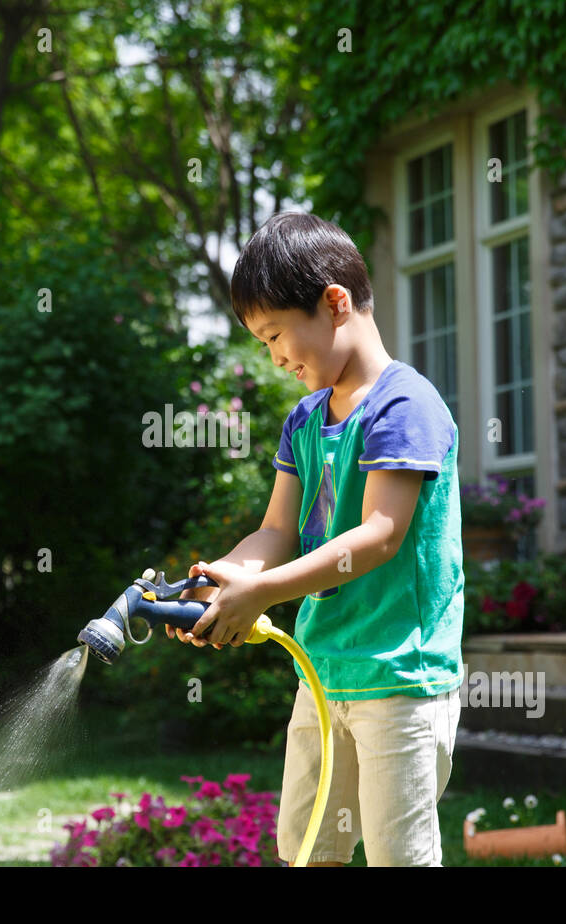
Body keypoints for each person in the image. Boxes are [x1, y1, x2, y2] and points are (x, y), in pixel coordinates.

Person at [166, 211, 464, 866]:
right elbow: (276, 531)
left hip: (400, 677)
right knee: (307, 847)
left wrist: (263, 591)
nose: (274, 358)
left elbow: (380, 535)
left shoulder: (404, 406)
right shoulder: (304, 419)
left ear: (334, 304)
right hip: (324, 672)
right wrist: (226, 577)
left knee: (398, 855)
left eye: (275, 335)